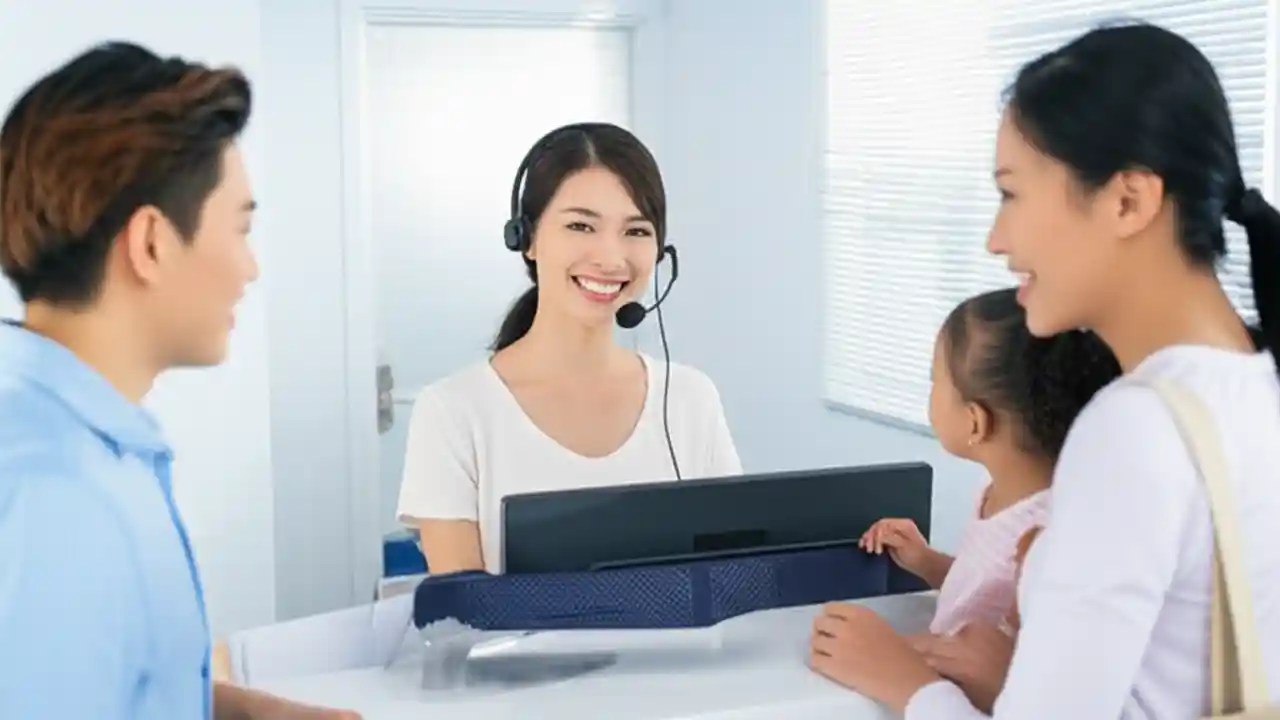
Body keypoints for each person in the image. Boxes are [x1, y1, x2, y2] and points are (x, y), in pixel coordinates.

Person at [807, 22, 1280, 718]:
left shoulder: (1137, 427)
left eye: (1012, 194)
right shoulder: (1254, 389)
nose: (997, 239)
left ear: (1128, 201)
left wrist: (911, 686)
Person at [0, 42, 359, 720]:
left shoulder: (88, 440)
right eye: (240, 228)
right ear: (152, 243)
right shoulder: (52, 492)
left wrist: (232, 711)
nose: (250, 268)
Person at [396, 122, 742, 575]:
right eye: (581, 225)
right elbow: (464, 617)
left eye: (636, 231)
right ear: (527, 239)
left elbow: (734, 570)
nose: (611, 257)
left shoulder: (690, 399)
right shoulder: (452, 413)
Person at [857, 287, 1119, 641]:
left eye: (935, 380)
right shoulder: (1000, 495)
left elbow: (981, 662)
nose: (930, 391)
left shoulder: (1040, 541)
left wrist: (879, 649)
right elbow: (978, 597)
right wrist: (927, 562)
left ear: (975, 422)